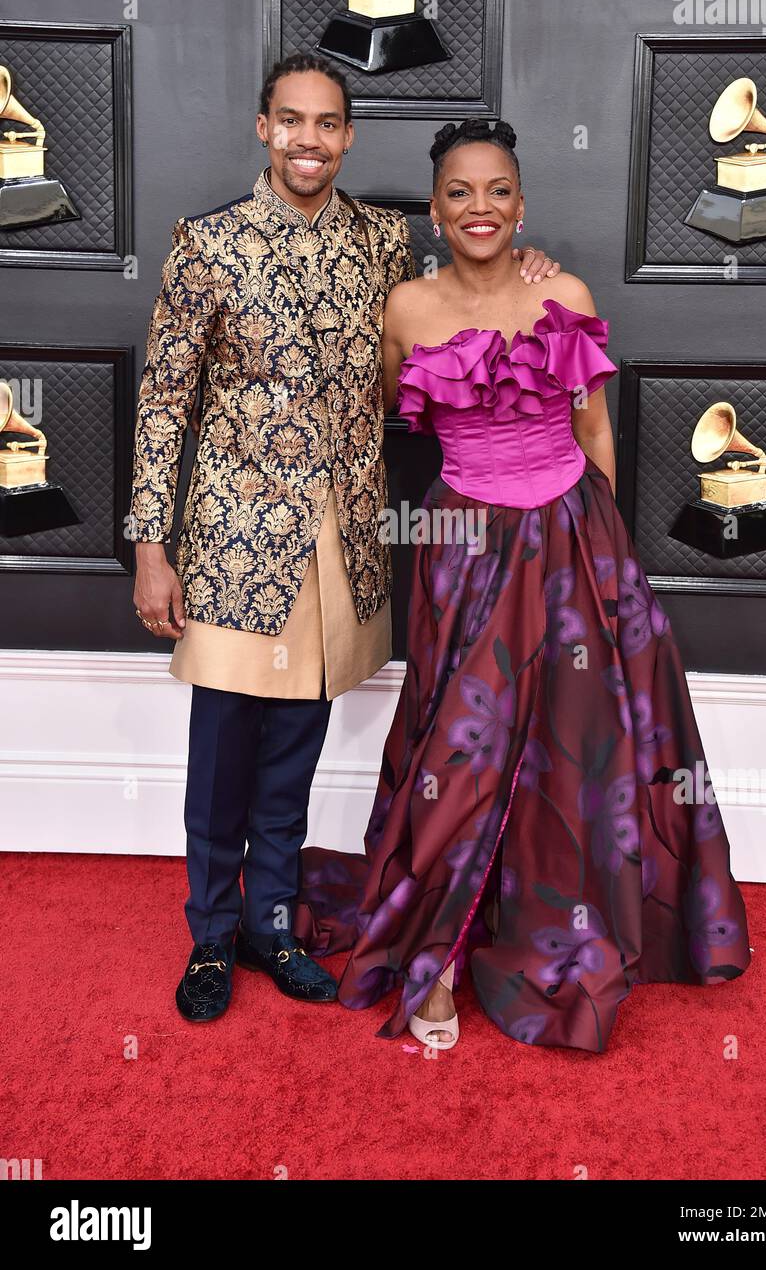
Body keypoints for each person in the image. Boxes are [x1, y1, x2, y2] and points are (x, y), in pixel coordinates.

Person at [294, 117, 752, 1052]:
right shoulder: (407, 310)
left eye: (497, 190)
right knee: (456, 753)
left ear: (520, 203)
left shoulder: (565, 292)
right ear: (434, 209)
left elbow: (595, 434)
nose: (479, 207)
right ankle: (433, 957)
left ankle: (552, 927)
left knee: (570, 743)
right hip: (466, 544)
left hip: (573, 535)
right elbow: (391, 413)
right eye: (459, 192)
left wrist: (610, 559)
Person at [129, 56, 559, 1022]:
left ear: (349, 136)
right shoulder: (208, 243)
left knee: (296, 748)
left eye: (327, 124)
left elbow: (452, 309)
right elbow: (163, 400)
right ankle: (209, 935)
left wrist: (524, 266)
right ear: (262, 129)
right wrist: (151, 545)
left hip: (345, 537)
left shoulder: (382, 242)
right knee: (223, 749)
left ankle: (272, 924)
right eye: (291, 122)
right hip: (234, 537)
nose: (308, 140)